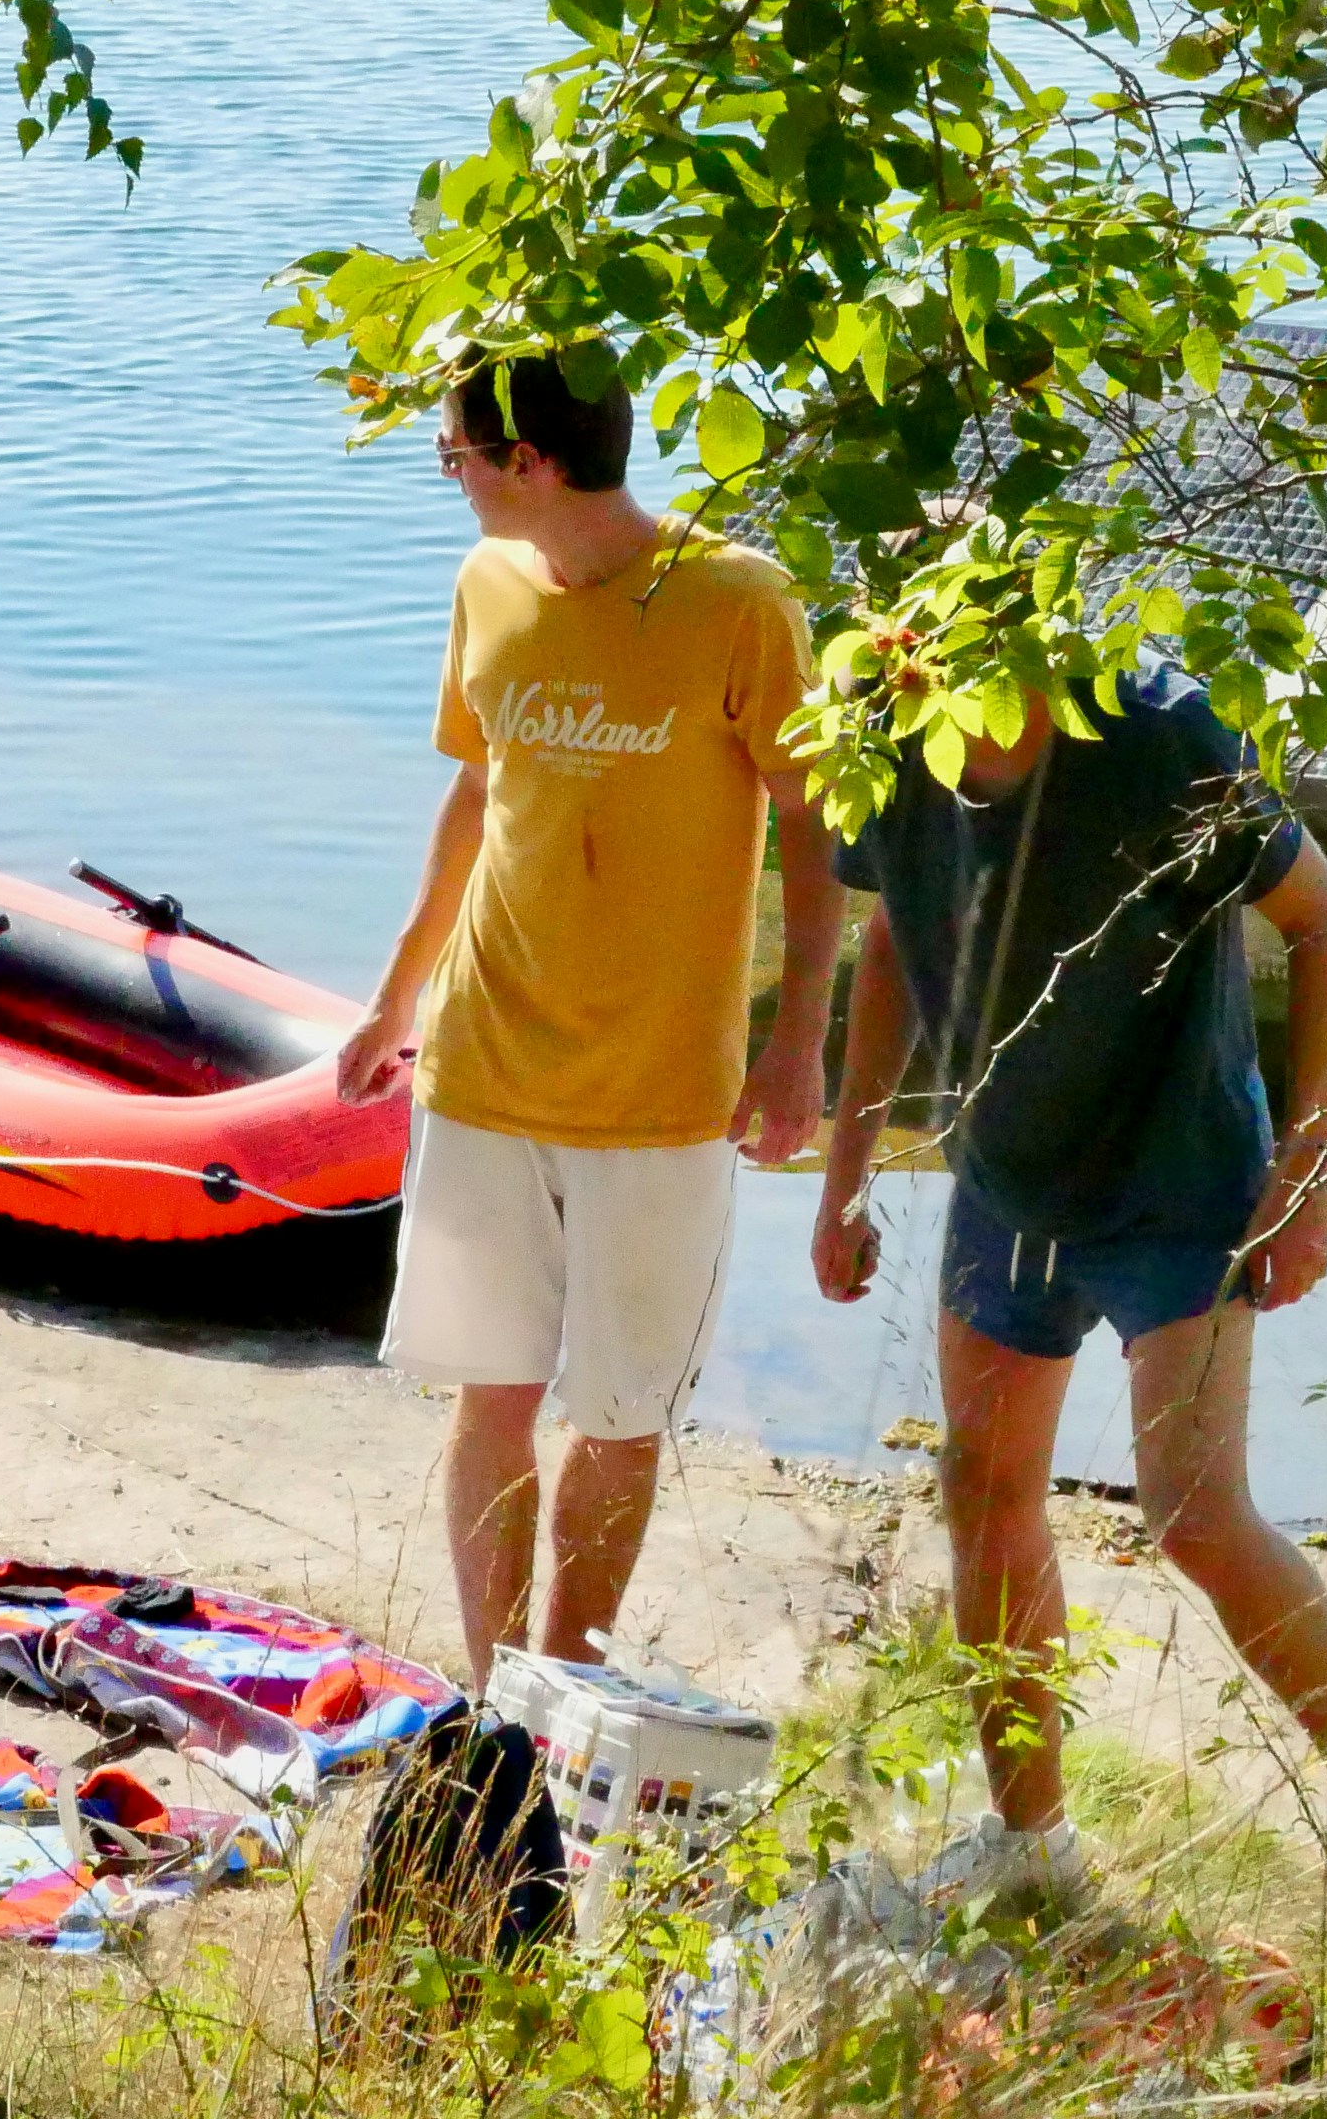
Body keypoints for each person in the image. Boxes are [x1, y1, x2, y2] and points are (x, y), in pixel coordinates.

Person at [814, 658, 1327, 1931]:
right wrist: (849, 1166)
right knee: (984, 1497)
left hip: (1182, 1177)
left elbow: (1324, 925)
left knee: (1196, 1513)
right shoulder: (877, 728)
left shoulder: (1156, 734)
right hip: (1006, 1177)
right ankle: (1032, 1840)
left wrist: (1305, 1170)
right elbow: (889, 929)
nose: (906, 656)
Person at [340, 346, 840, 1682]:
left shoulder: (738, 602)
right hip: (484, 1064)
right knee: (489, 1397)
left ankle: (569, 1687)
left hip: (662, 1091)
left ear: (530, 463)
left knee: (620, 1415)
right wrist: (398, 995)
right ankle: (501, 1704)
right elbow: (475, 792)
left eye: (455, 458)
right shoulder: (486, 583)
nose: (451, 482)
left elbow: (815, 824)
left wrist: (798, 1048)